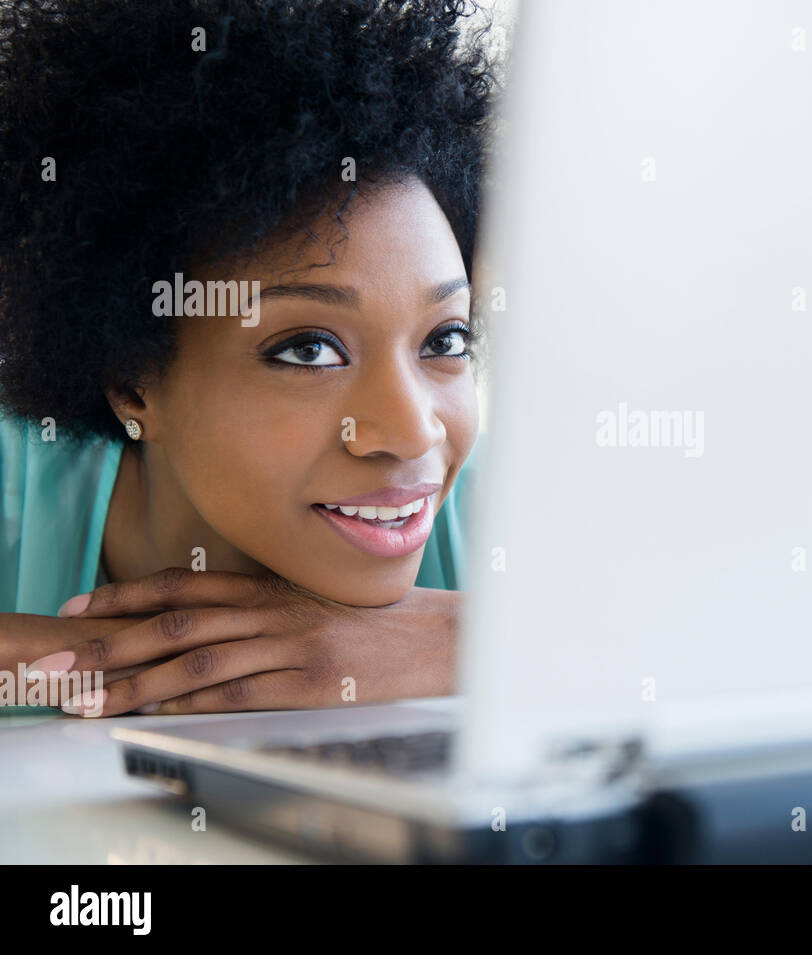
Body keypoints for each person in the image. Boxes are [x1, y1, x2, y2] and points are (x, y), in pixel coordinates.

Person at [0, 0, 501, 716]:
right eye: (308, 349)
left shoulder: (504, 507)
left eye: (444, 339)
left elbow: (708, 635)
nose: (414, 431)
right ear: (134, 383)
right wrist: (88, 656)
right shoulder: (15, 483)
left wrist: (460, 640)